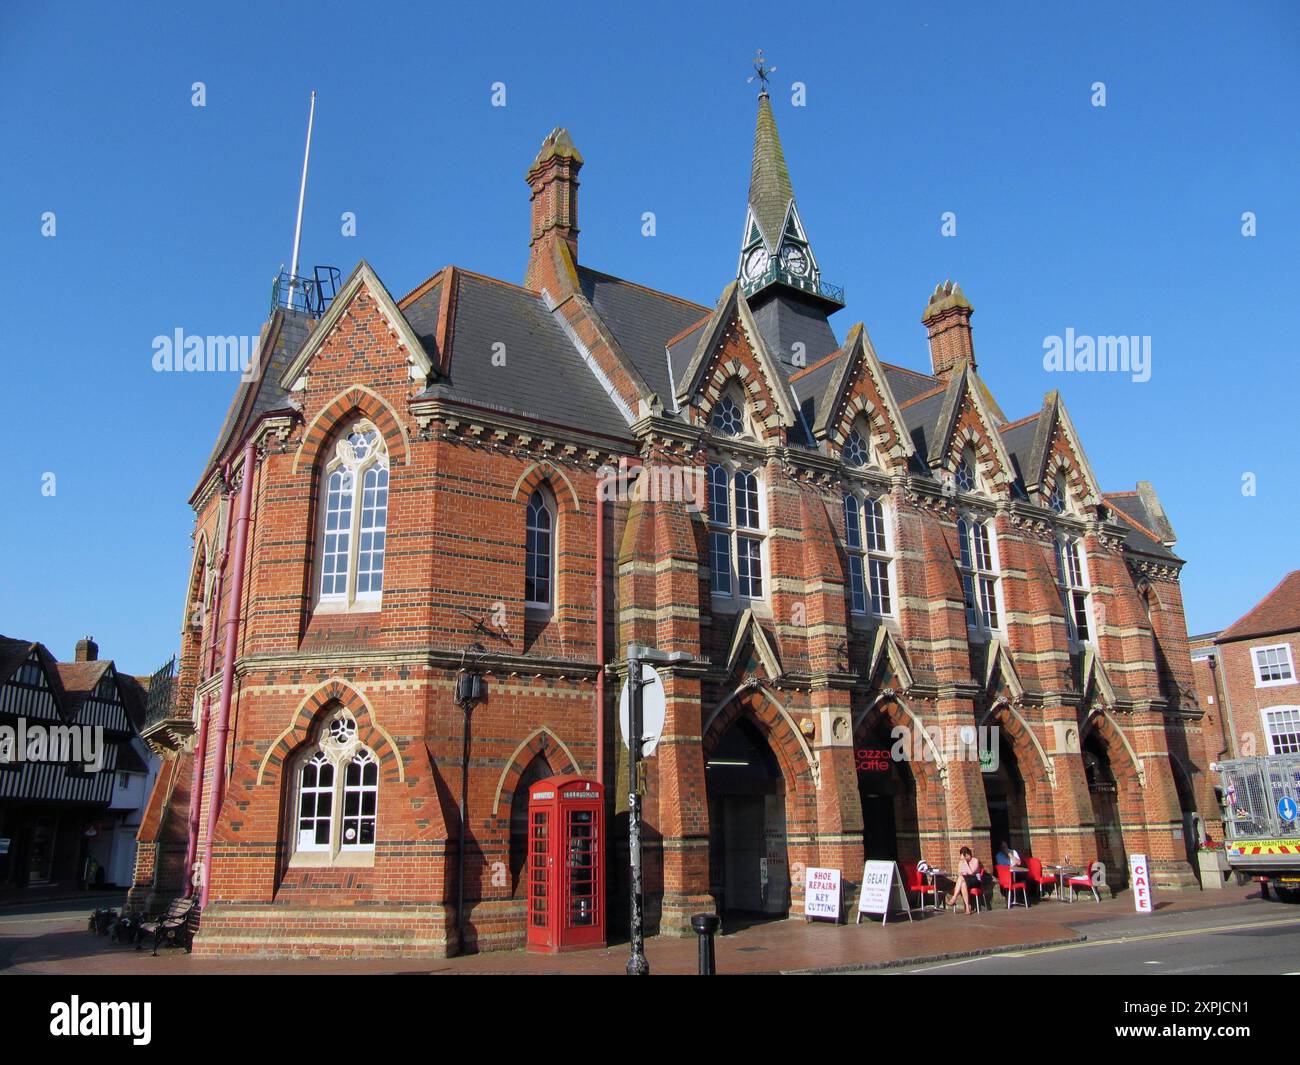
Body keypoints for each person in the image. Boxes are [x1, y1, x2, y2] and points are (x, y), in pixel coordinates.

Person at [947, 846, 983, 914]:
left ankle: (954, 898)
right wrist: (961, 864)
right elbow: (959, 873)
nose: (965, 857)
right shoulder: (961, 862)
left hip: (975, 880)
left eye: (966, 856)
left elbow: (971, 872)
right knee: (963, 883)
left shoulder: (975, 860)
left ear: (968, 854)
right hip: (965, 880)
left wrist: (965, 862)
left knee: (962, 879)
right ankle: (967, 909)